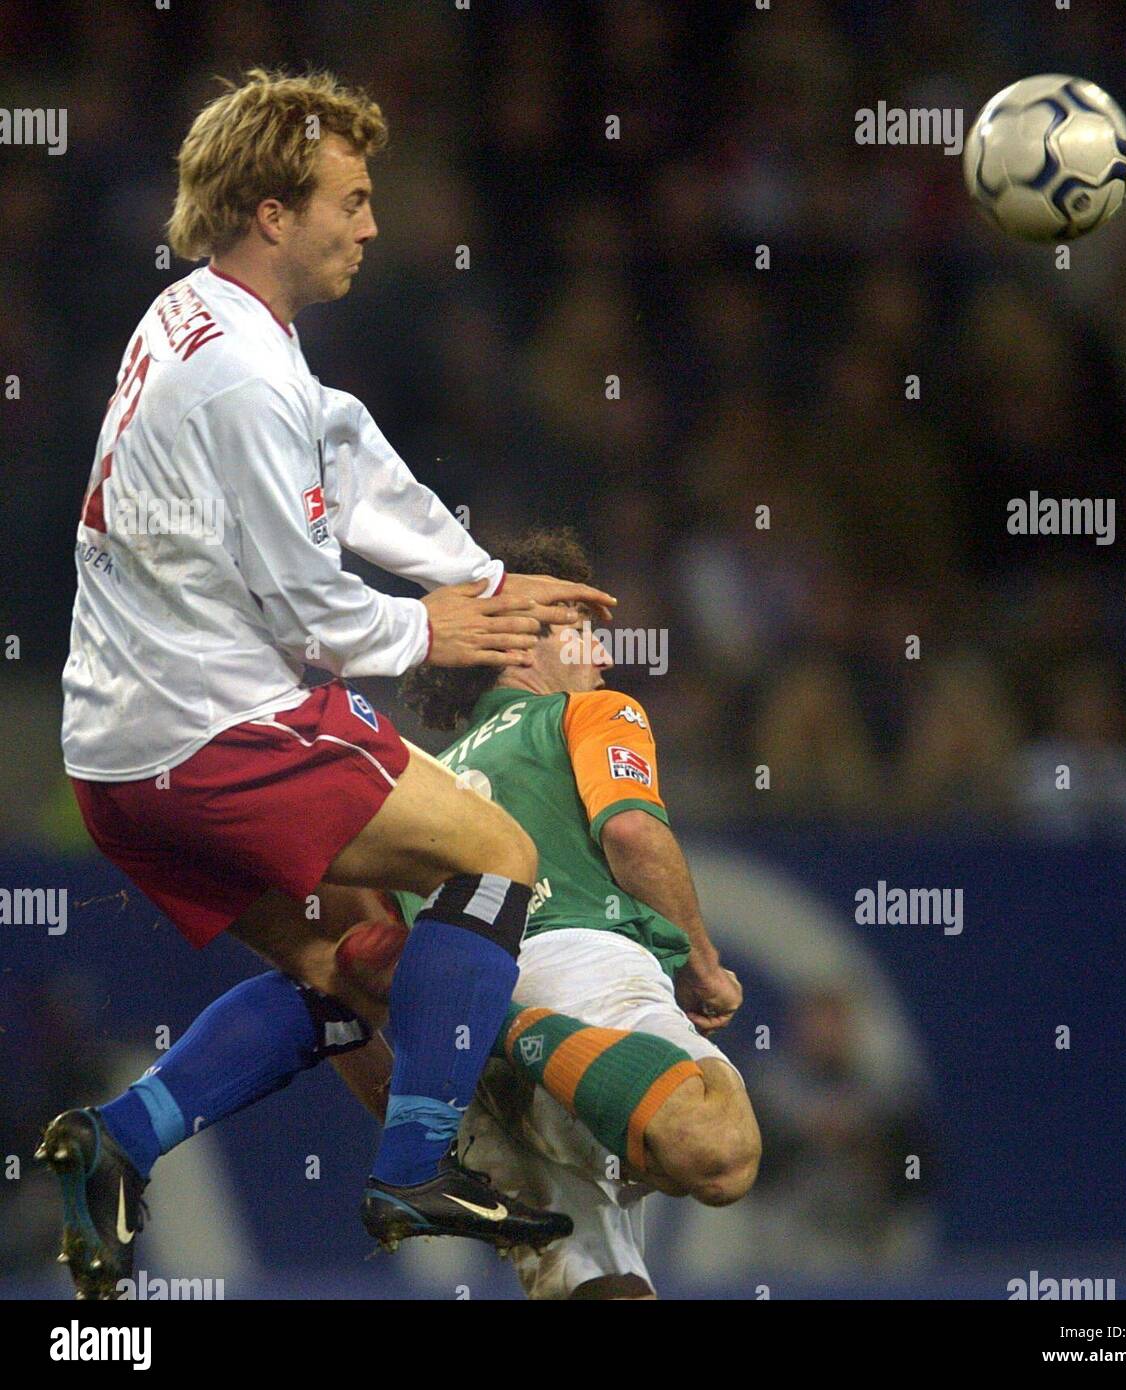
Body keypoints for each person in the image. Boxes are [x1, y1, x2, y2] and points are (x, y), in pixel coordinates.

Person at [42, 68, 614, 1299]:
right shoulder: (242, 378)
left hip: (113, 761)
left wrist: (485, 577)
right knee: (499, 861)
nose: (368, 224)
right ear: (269, 210)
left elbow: (338, 445)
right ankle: (417, 1164)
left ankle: (120, 1137)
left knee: (344, 962)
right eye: (348, 201)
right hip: (222, 736)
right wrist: (441, 630)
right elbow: (309, 604)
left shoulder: (199, 317)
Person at [369, 526, 761, 1298]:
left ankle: (507, 1039)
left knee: (602, 1285)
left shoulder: (418, 787)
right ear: (523, 639)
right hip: (582, 975)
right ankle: (519, 1037)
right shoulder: (588, 714)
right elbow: (631, 832)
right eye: (586, 635)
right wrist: (702, 963)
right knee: (721, 1151)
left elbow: (356, 974)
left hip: (458, 1047)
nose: (605, 659)